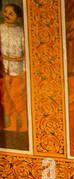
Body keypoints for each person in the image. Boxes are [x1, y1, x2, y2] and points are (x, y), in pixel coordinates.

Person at [0, 4, 26, 136]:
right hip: (4, 67)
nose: (7, 15)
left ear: (19, 18)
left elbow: (27, 52)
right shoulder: (1, 29)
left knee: (18, 96)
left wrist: (25, 70)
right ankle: (13, 124)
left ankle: (25, 125)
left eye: (11, 14)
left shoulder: (22, 32)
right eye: (5, 12)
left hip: (18, 68)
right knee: (7, 97)